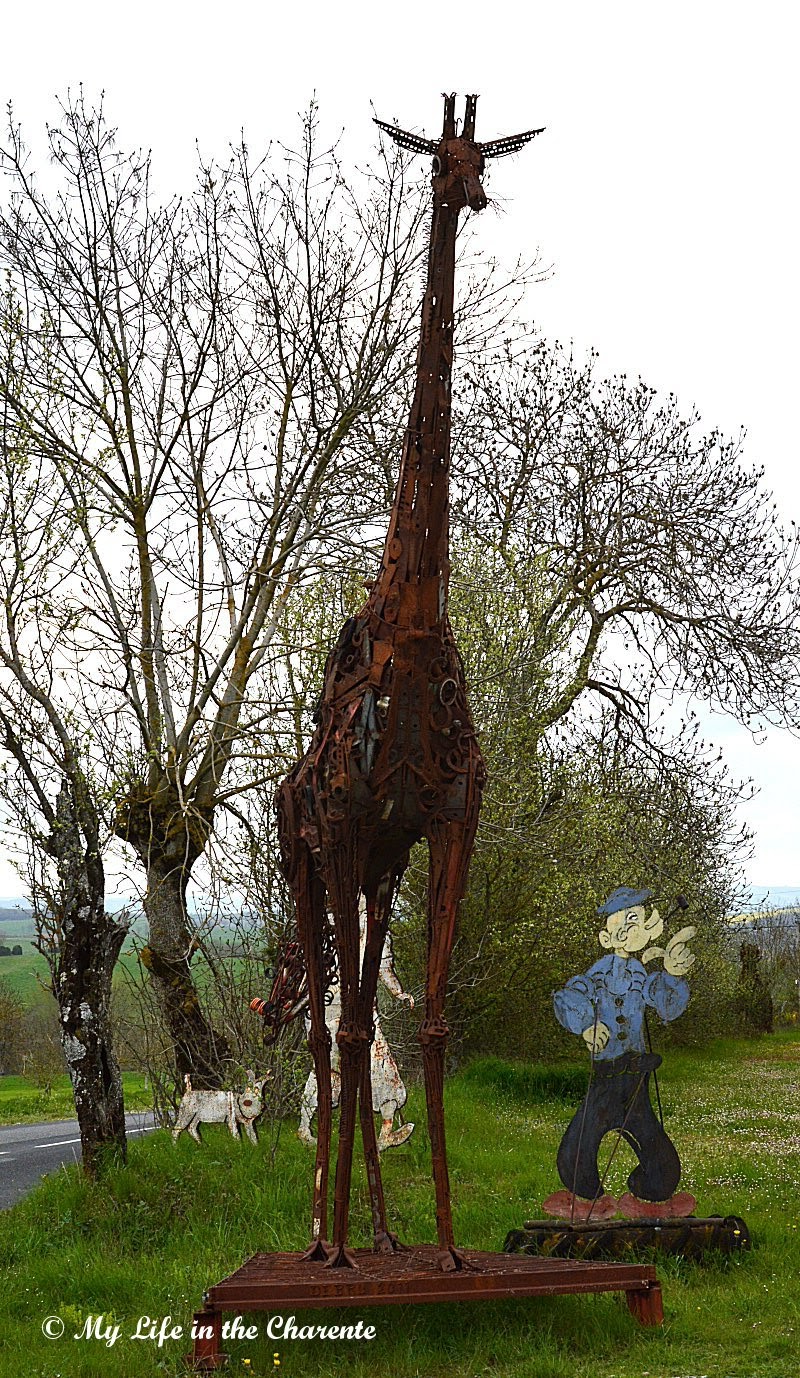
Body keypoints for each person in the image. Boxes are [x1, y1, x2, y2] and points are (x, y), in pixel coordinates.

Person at [543, 887, 697, 1221]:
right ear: (605, 937)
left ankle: (653, 1190)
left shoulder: (642, 975)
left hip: (636, 1079)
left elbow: (665, 1005)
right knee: (580, 1145)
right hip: (606, 1077)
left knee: (652, 1140)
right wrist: (586, 1025)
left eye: (637, 920)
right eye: (624, 923)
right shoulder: (596, 977)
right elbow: (570, 996)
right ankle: (585, 1195)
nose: (632, 929)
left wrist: (672, 974)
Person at [298, 908, 415, 1151]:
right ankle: (305, 1127)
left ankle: (385, 1130)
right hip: (329, 1008)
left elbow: (383, 968)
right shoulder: (326, 925)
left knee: (382, 1065)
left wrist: (398, 992)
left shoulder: (376, 928)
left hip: (363, 1011)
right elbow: (308, 968)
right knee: (329, 1071)